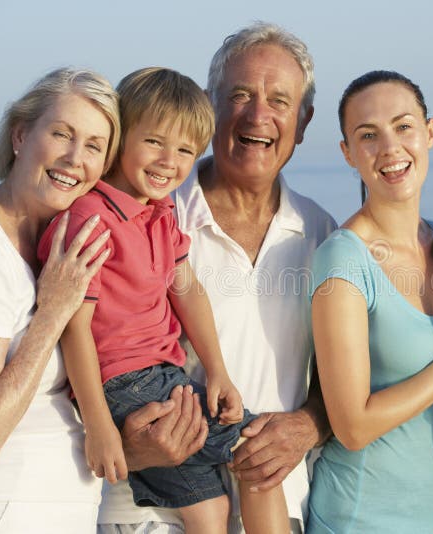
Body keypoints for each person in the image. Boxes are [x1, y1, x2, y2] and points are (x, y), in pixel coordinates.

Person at [97, 22, 337, 534]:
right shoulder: (148, 217)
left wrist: (309, 425)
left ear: (304, 119)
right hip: (150, 514)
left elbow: (350, 374)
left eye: (279, 100)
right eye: (241, 95)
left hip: (278, 507)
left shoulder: (322, 233)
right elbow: (71, 357)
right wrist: (126, 446)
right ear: (209, 106)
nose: (258, 115)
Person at [38, 67, 288, 534]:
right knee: (260, 453)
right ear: (119, 137)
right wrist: (99, 425)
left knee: (209, 511)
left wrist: (217, 371)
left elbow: (188, 289)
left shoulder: (161, 209)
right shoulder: (92, 218)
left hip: (163, 378)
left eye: (186, 151)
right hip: (124, 385)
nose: (169, 161)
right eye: (154, 142)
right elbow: (73, 327)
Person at [305, 70, 433, 533]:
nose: (390, 148)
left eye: (403, 127)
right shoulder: (342, 258)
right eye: (368, 135)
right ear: (347, 152)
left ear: (430, 133)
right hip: (361, 520)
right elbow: (352, 427)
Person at [0, 68, 120, 532]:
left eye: (93, 145)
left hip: (54, 507)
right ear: (19, 135)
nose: (75, 158)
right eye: (61, 134)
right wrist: (51, 313)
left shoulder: (52, 245)